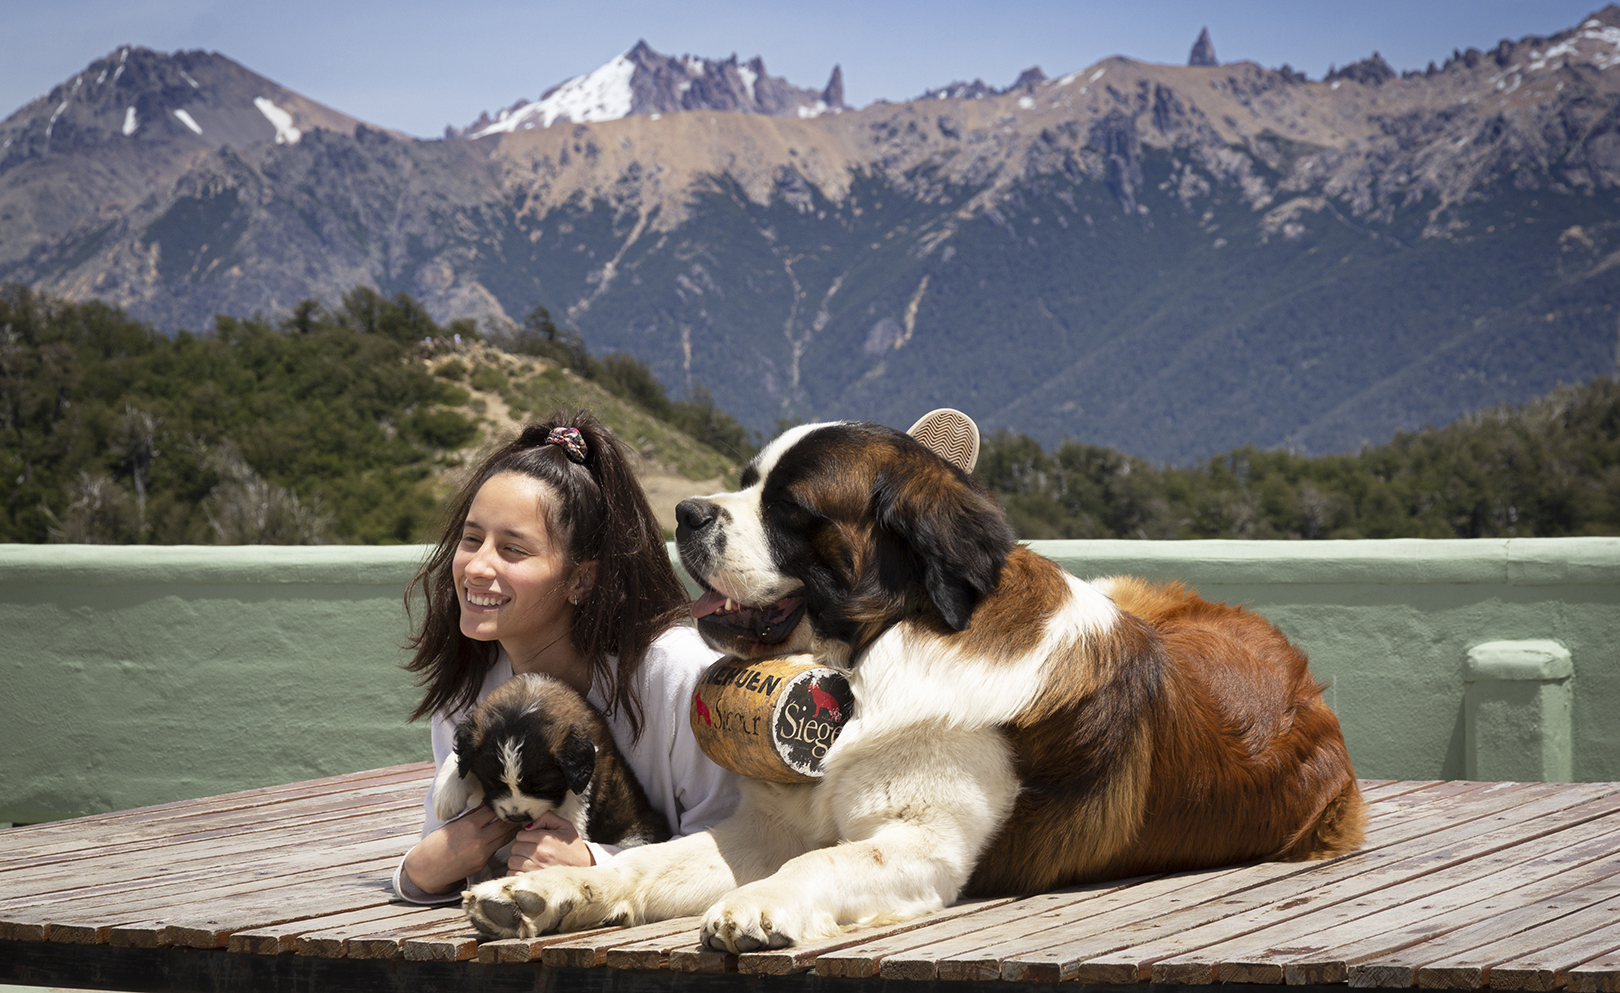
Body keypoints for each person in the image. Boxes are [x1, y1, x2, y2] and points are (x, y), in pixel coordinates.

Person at [392, 410, 739, 904]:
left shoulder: (678, 673)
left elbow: (733, 851)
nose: (477, 566)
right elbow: (453, 845)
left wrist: (593, 865)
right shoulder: (471, 686)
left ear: (581, 578)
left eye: (513, 549)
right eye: (471, 539)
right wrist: (416, 874)